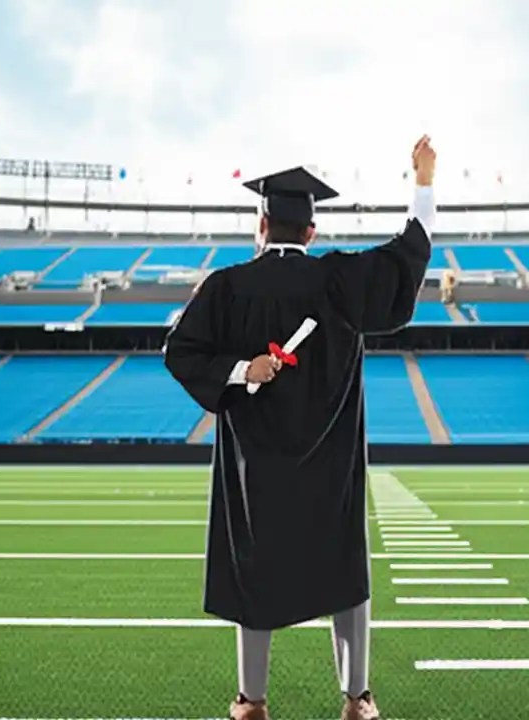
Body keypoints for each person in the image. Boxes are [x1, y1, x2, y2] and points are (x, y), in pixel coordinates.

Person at [163, 136, 437, 720]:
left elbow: (180, 353)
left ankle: (251, 700)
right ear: (310, 232)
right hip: (329, 462)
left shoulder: (226, 287)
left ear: (262, 224)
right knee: (343, 567)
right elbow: (408, 253)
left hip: (252, 467)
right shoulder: (339, 282)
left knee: (255, 571)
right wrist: (423, 183)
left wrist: (239, 369)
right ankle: (357, 698)